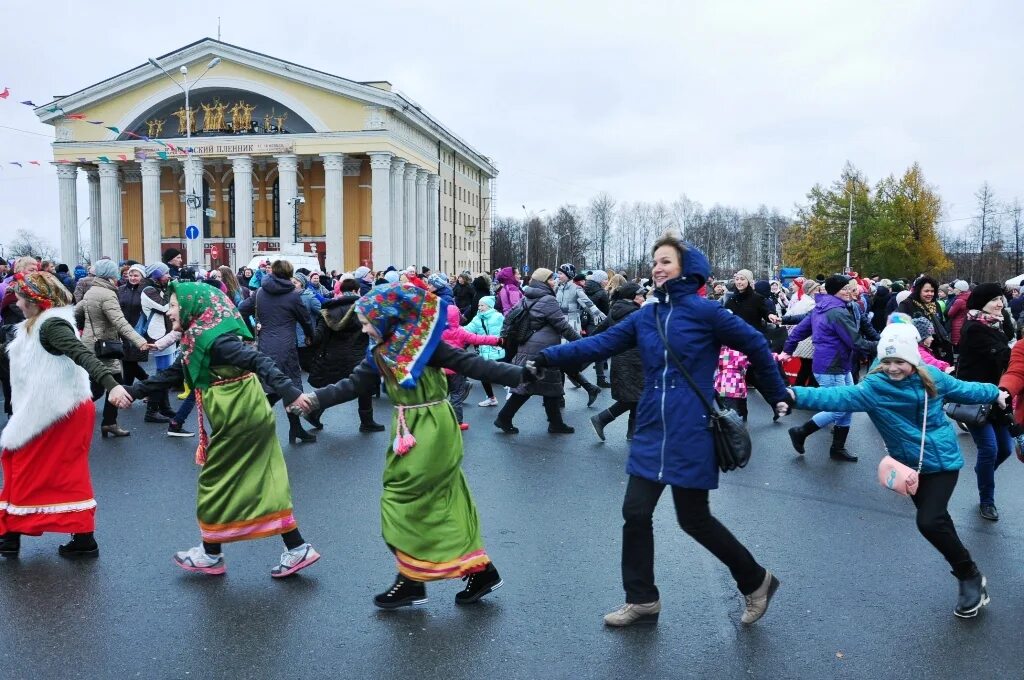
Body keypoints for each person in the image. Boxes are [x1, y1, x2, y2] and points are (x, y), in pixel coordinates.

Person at [532, 234, 787, 627]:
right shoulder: (645, 316)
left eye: (666, 260)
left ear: (689, 268)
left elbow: (755, 342)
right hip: (651, 423)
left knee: (694, 519)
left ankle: (756, 581)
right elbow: (597, 345)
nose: (658, 267)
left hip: (692, 427)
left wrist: (776, 393)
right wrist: (544, 357)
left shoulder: (707, 313)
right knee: (635, 512)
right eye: (655, 261)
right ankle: (642, 599)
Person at [300, 283, 529, 608]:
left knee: (402, 499)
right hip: (407, 427)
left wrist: (523, 374)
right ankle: (476, 571)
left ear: (386, 320)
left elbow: (474, 365)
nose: (362, 327)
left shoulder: (425, 346)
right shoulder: (381, 351)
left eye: (367, 320)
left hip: (433, 428)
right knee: (441, 499)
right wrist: (315, 399)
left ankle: (412, 580)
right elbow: (355, 384)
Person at [783, 321, 1003, 619]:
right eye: (887, 361)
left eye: (900, 361)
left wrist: (995, 392)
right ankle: (970, 575)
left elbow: (966, 389)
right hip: (908, 467)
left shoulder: (933, 380)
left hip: (941, 462)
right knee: (938, 522)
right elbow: (837, 397)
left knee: (929, 521)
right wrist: (794, 395)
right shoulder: (874, 388)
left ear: (913, 359)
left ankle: (970, 576)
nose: (893, 368)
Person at [128, 282, 319, 577]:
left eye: (175, 305)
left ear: (193, 307)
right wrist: (133, 390)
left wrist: (291, 391)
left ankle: (211, 553)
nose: (170, 310)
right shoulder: (199, 338)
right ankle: (295, 548)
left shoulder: (215, 340)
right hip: (242, 413)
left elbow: (258, 360)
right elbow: (175, 373)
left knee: (214, 481)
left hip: (241, 415)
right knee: (261, 481)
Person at [0, 273, 133, 559]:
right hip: (46, 409)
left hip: (61, 410)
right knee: (23, 464)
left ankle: (15, 535)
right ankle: (22, 535)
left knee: (30, 465)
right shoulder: (33, 326)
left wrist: (112, 386)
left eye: (21, 298)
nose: (17, 302)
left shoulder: (52, 325)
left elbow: (82, 355)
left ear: (35, 301)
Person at [781, 275, 877, 462]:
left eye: (850, 288)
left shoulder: (822, 307)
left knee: (849, 402)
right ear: (835, 291)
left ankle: (837, 448)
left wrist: (787, 350)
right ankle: (801, 432)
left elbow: (800, 330)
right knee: (840, 406)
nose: (849, 292)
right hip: (831, 366)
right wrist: (884, 347)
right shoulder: (836, 312)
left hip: (838, 364)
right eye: (845, 289)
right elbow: (856, 342)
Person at [493, 268, 583, 435]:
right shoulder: (548, 299)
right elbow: (562, 326)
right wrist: (583, 343)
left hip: (529, 346)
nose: (554, 281)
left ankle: (554, 423)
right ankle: (505, 417)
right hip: (543, 350)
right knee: (538, 386)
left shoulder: (528, 296)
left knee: (543, 386)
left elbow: (510, 316)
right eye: (550, 279)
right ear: (543, 282)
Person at [237, 259, 315, 444]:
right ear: (289, 274)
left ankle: (293, 429)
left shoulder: (259, 292)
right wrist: (310, 336)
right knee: (288, 387)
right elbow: (305, 319)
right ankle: (259, 424)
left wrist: (251, 330)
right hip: (287, 347)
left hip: (265, 345)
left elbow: (241, 308)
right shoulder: (294, 295)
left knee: (277, 385)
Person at [955, 283, 1013, 521]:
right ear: (981, 304)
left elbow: (1008, 340)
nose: (999, 303)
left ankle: (983, 471)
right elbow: (1005, 355)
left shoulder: (997, 324)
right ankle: (986, 501)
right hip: (977, 397)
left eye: (1001, 299)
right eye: (994, 300)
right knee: (989, 449)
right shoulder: (975, 328)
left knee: (1006, 450)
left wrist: (1005, 315)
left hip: (998, 396)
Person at [75, 258, 151, 438]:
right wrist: (139, 341)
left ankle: (109, 422)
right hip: (104, 347)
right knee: (109, 385)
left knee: (107, 384)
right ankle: (71, 413)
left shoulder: (92, 291)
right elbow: (120, 322)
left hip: (91, 343)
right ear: (111, 274)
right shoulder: (107, 294)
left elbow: (77, 312)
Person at [305, 278, 384, 433]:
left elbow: (318, 336)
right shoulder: (363, 308)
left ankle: (314, 412)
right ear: (356, 291)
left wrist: (309, 340)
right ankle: (367, 422)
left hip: (333, 357)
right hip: (357, 356)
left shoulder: (329, 311)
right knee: (364, 388)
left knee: (338, 389)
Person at [588, 282, 646, 441]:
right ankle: (601, 419)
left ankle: (632, 433)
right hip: (634, 362)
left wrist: (585, 345)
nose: (643, 298)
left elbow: (599, 331)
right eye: (641, 295)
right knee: (634, 397)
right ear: (632, 297)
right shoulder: (634, 314)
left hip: (623, 361)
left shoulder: (616, 310)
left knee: (636, 397)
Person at [440, 303, 500, 430]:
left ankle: (438, 421)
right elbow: (478, 339)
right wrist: (497, 340)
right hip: (457, 367)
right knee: (456, 395)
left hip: (440, 368)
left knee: (440, 395)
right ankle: (457, 423)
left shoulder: (439, 331)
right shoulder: (461, 331)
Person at [140, 262, 178, 423]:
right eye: (166, 274)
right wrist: (173, 291)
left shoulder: (158, 288)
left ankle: (165, 408)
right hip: (158, 335)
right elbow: (165, 307)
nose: (169, 276)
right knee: (162, 374)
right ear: (156, 275)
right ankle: (152, 411)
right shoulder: (148, 290)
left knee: (164, 372)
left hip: (165, 334)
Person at [898, 276, 953, 364]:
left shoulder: (935, 304)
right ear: (918, 291)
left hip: (936, 350)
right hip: (917, 351)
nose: (930, 294)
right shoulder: (907, 304)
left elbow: (941, 324)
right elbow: (900, 328)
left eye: (932, 291)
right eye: (926, 291)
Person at [463, 295, 507, 407]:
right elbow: (467, 330)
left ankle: (513, 388)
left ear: (490, 306)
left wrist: (503, 341)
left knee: (501, 373)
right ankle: (491, 398)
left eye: (482, 305)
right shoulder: (477, 318)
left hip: (497, 350)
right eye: (479, 305)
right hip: (483, 350)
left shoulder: (498, 316)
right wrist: (456, 330)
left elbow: (506, 330)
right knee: (483, 375)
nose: (480, 307)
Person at [117, 264, 150, 387]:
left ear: (142, 276)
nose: (132, 278)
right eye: (130, 275)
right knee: (128, 361)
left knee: (129, 362)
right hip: (123, 329)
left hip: (139, 330)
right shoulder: (121, 289)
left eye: (136, 275)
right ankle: (135, 388)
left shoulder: (146, 291)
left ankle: (146, 384)